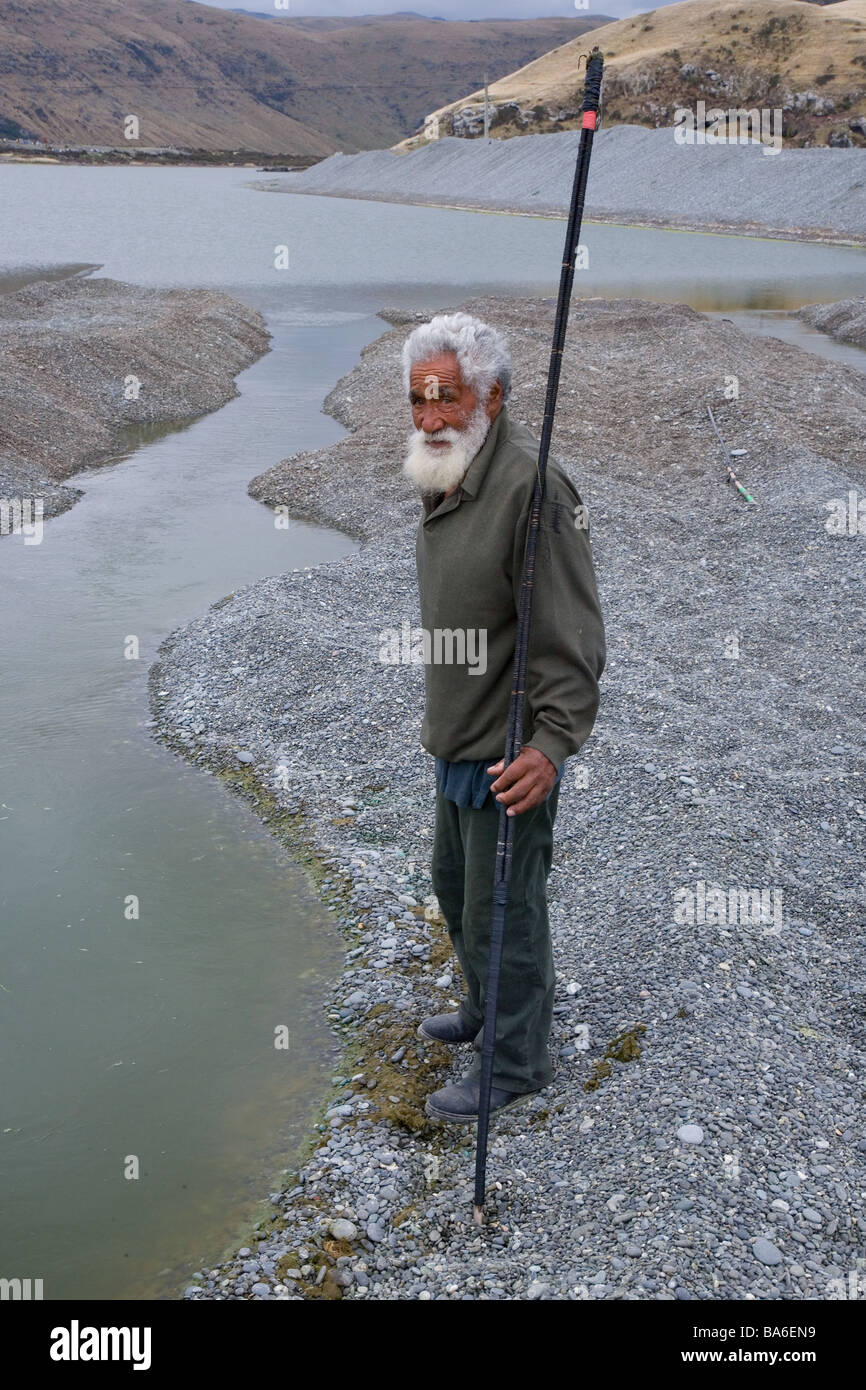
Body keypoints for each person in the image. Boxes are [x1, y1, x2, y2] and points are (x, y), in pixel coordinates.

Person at [400, 310, 606, 1123]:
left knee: (505, 907)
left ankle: (517, 1060)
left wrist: (552, 744)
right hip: (456, 734)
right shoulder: (444, 472)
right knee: (457, 885)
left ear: (490, 395)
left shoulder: (533, 487)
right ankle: (485, 1011)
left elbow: (574, 635)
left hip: (509, 749)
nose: (430, 418)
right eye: (419, 401)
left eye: (446, 399)